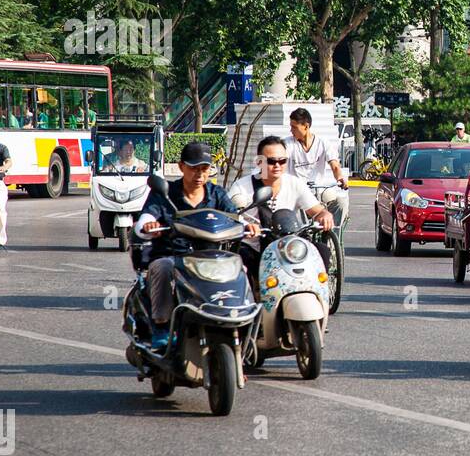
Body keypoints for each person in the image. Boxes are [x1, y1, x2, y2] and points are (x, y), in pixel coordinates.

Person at [136, 141, 259, 349]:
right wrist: (147, 224)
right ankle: (161, 326)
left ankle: (242, 325)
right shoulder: (166, 192)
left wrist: (249, 226)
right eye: (194, 168)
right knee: (162, 267)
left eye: (204, 169)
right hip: (175, 256)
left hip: (212, 258)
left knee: (241, 269)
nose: (200, 174)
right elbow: (145, 217)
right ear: (181, 166)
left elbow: (234, 218)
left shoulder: (217, 194)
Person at [229, 136, 337, 293]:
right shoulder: (242, 187)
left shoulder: (294, 183)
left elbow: (317, 211)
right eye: (271, 161)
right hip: (255, 249)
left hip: (290, 248)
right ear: (259, 162)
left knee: (322, 251)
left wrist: (324, 215)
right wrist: (246, 226)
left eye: (282, 161)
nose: (277, 165)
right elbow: (230, 216)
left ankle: (316, 294)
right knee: (238, 258)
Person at [286, 107, 350, 237]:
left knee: (340, 203)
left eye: (294, 127)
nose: (291, 130)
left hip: (319, 192)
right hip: (298, 194)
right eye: (291, 127)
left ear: (306, 126)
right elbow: (280, 162)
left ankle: (333, 237)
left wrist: (340, 178)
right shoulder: (288, 144)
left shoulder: (322, 143)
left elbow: (335, 165)